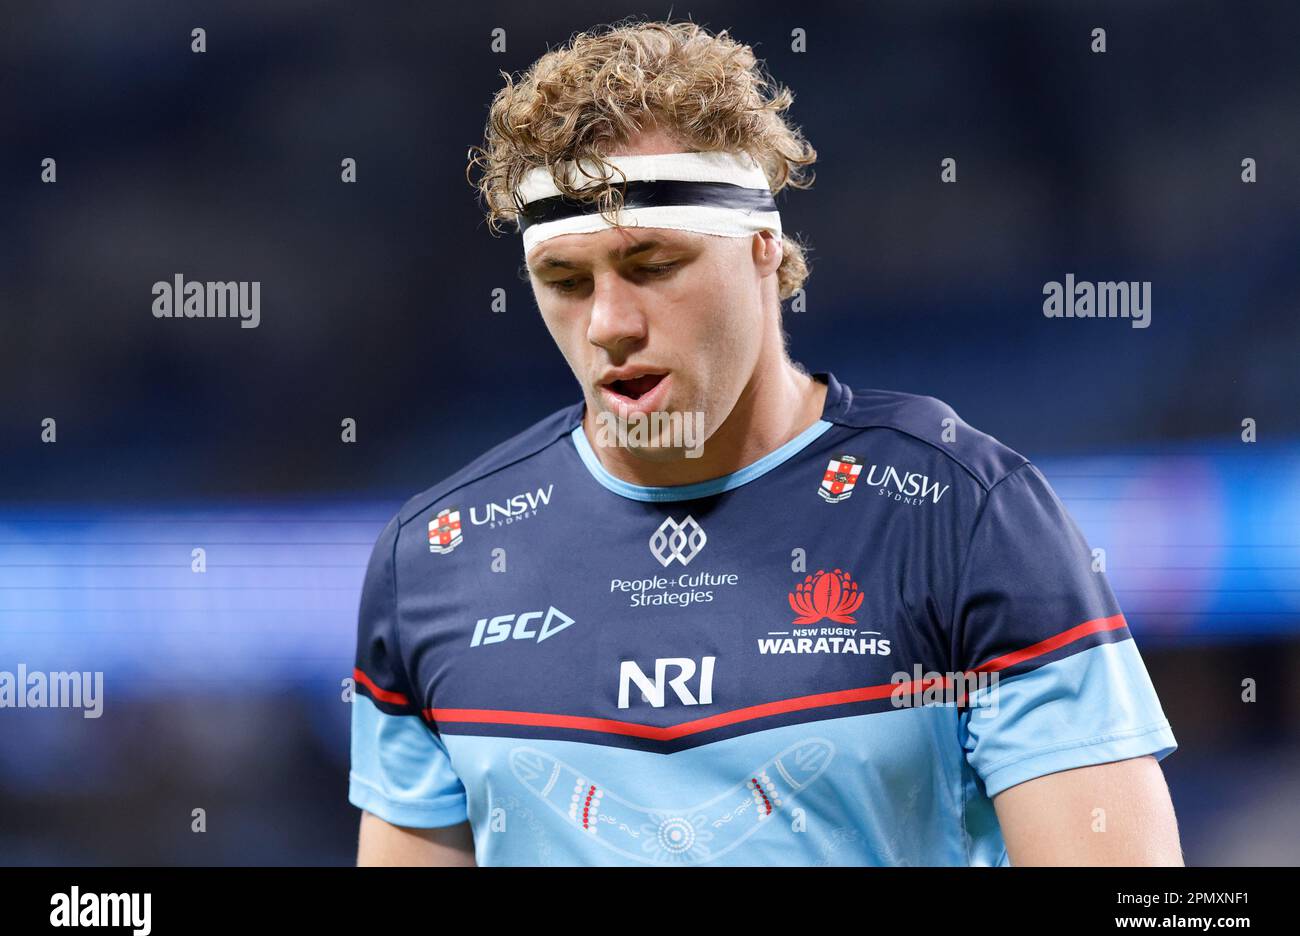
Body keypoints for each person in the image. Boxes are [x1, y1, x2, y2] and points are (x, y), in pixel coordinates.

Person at [349, 19, 1181, 866]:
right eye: (564, 281)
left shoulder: (964, 515)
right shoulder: (437, 558)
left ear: (762, 250)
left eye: (653, 264)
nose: (608, 325)